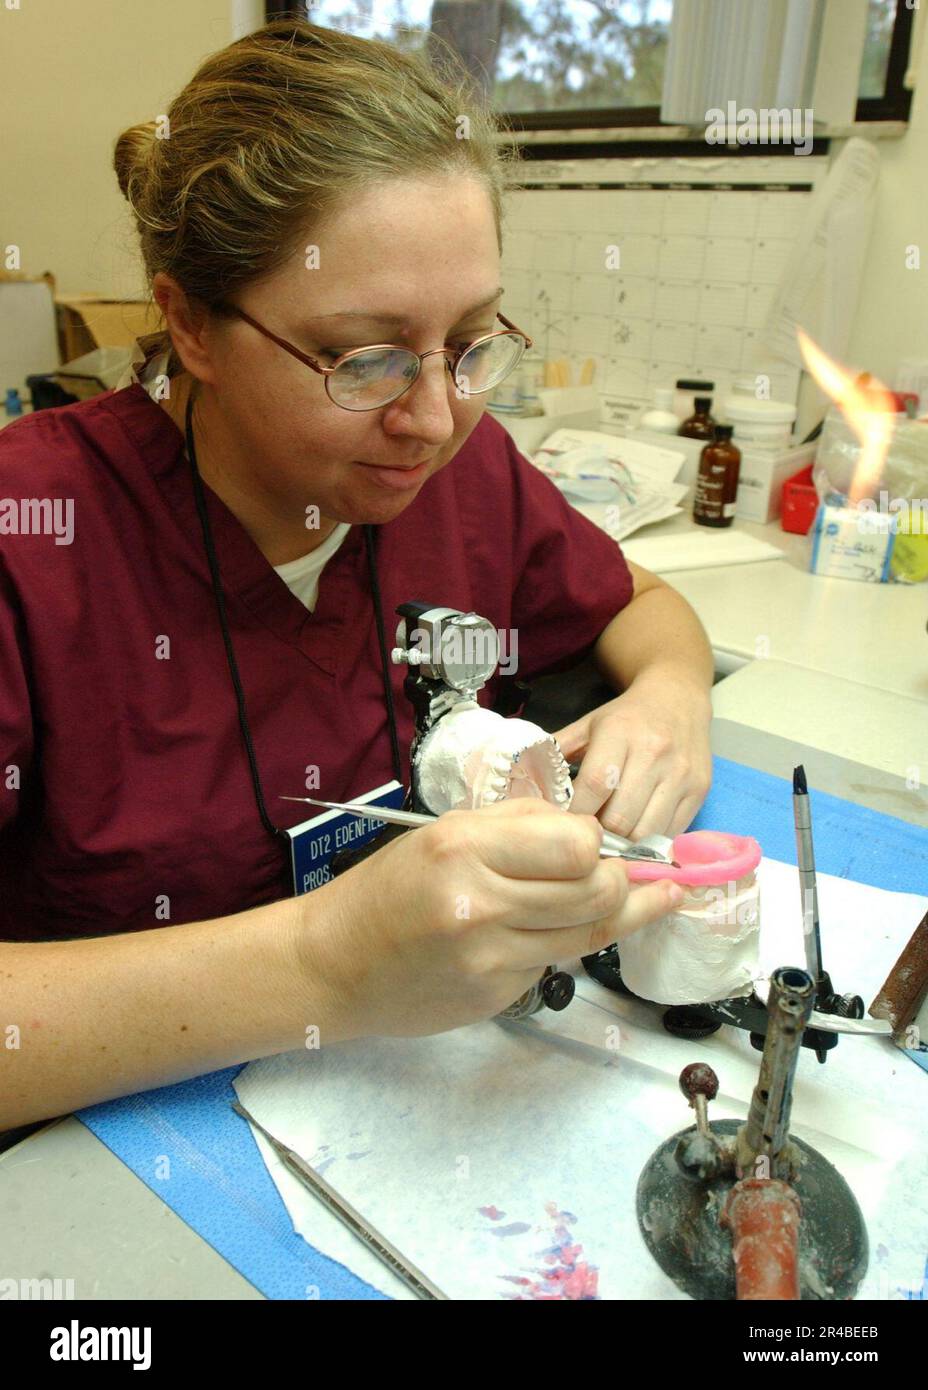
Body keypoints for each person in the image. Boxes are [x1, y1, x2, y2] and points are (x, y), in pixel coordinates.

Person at [0, 20, 713, 1133]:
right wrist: (329, 964)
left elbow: (644, 609)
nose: (431, 418)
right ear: (188, 317)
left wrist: (672, 695)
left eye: (470, 342)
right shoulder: (30, 540)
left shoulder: (464, 470)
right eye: (362, 357)